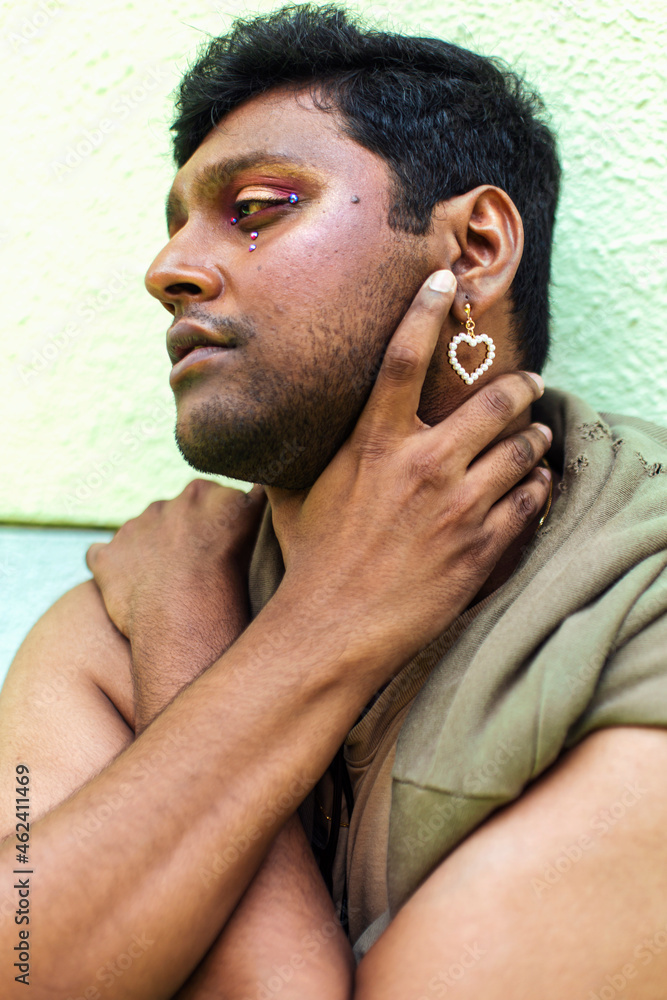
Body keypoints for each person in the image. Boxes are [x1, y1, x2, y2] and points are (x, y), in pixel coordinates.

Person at [2, 5, 667, 998]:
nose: (168, 270)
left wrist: (190, 657)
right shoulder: (133, 594)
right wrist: (306, 623)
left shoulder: (636, 593)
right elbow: (23, 956)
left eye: (258, 208)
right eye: (175, 224)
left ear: (476, 245)